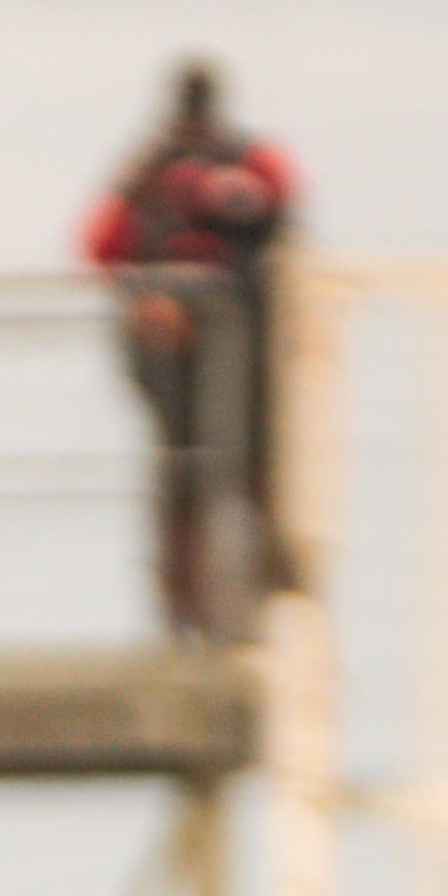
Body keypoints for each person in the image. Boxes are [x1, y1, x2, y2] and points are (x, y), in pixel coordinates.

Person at [82, 59, 296, 632]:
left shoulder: (230, 164)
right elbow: (103, 247)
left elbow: (283, 231)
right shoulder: (155, 171)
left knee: (241, 469)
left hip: (243, 341)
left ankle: (263, 588)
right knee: (187, 476)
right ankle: (188, 607)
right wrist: (148, 302)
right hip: (177, 351)